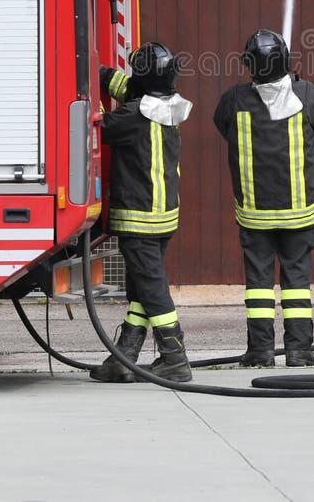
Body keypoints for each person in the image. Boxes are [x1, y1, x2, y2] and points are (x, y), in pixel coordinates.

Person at [213, 28, 314, 367]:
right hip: (301, 213)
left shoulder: (234, 100)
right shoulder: (308, 95)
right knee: (297, 282)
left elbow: (224, 128)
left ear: (249, 65)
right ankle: (298, 351)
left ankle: (259, 352)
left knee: (258, 286)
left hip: (256, 216)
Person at [89, 42, 194, 384]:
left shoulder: (133, 116)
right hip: (162, 219)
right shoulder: (166, 106)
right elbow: (129, 87)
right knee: (140, 290)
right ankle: (124, 358)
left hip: (139, 220)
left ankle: (174, 357)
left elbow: (92, 130)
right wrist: (98, 71)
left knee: (152, 290)